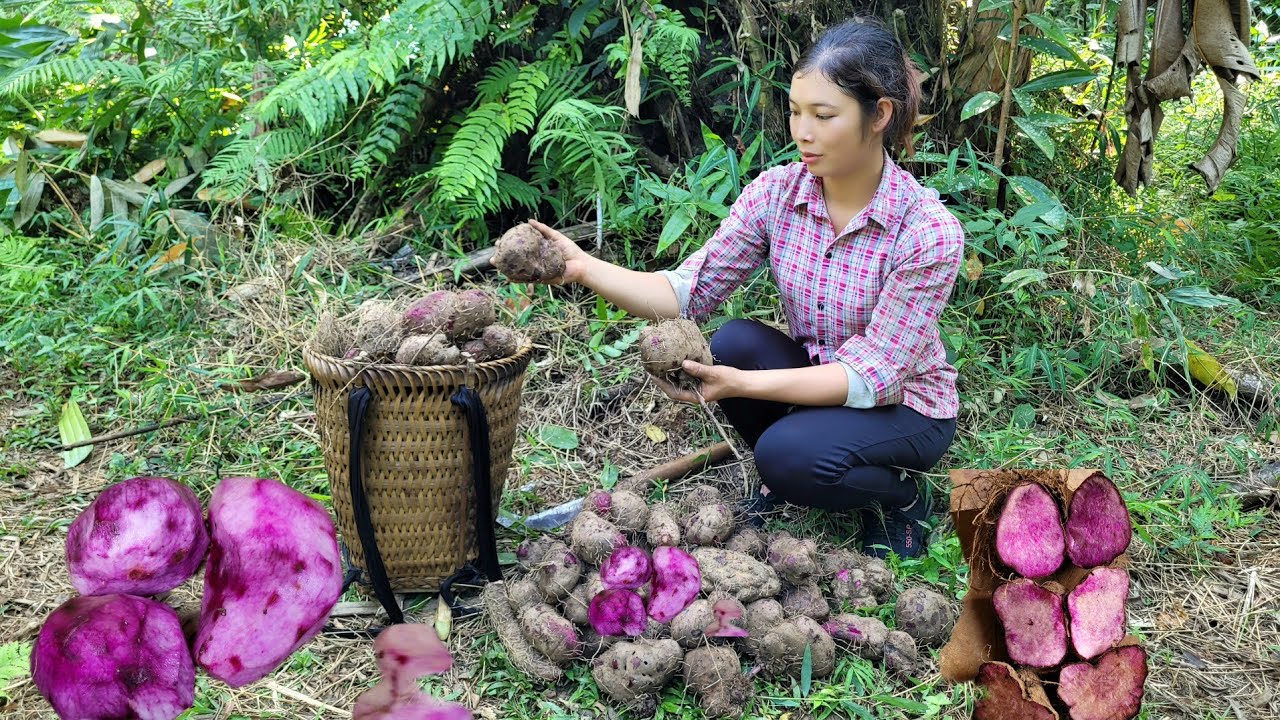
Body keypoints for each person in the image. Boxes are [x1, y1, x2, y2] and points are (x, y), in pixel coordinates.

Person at [518, 18, 964, 559]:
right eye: (796, 111)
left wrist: (738, 386)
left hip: (904, 406)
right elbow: (685, 293)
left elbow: (868, 378)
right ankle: (802, 460)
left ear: (880, 116)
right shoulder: (778, 194)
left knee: (782, 455)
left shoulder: (926, 231)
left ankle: (898, 501)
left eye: (824, 116)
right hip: (820, 378)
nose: (803, 131)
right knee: (733, 341)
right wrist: (583, 268)